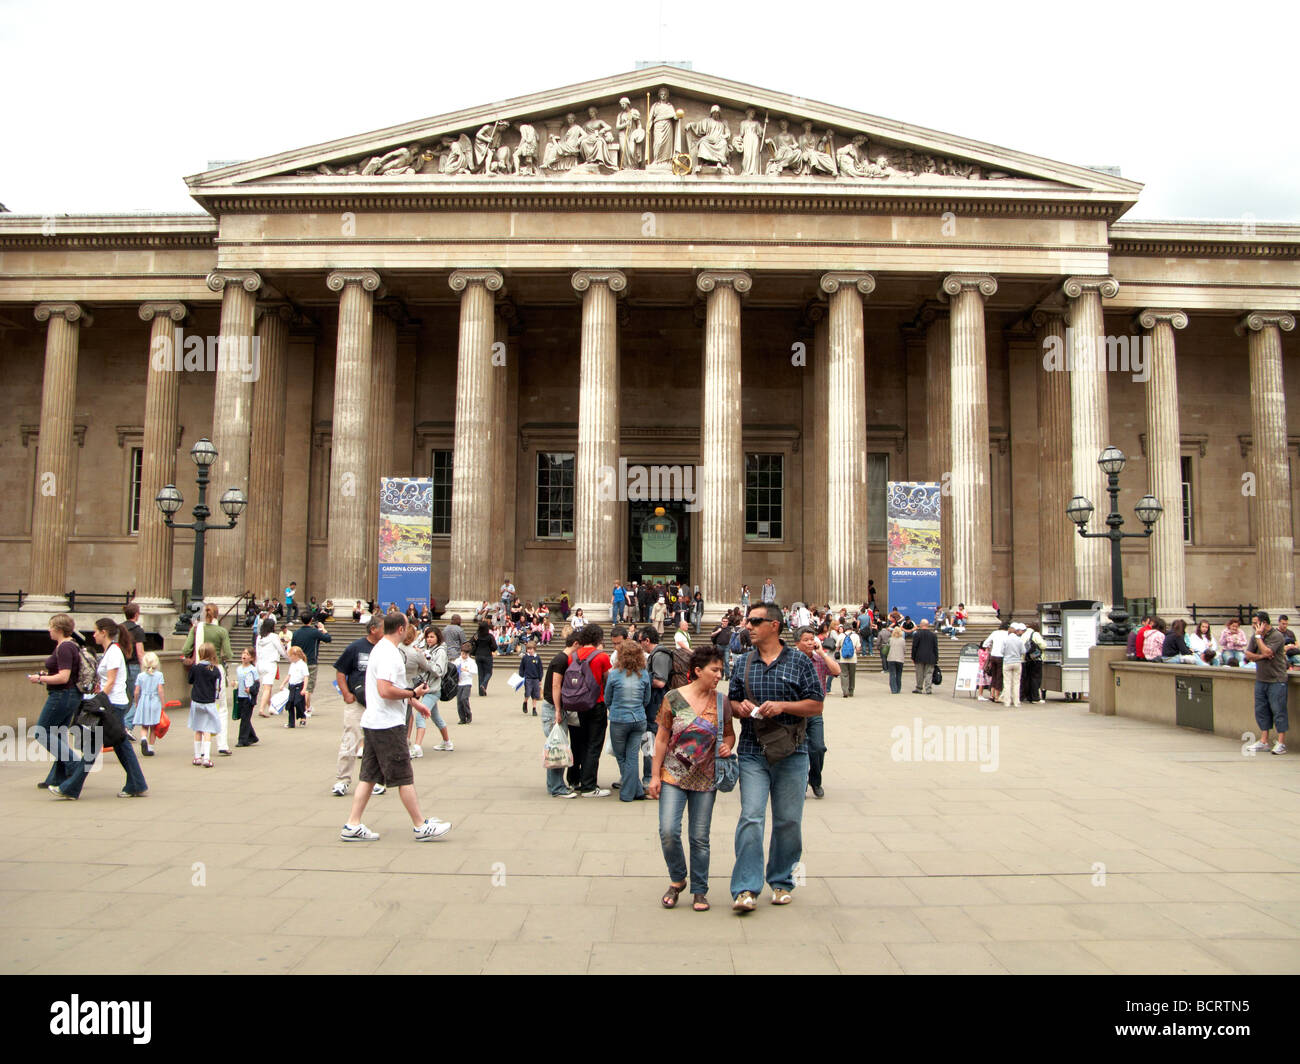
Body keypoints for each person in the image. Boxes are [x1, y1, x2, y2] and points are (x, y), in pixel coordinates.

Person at [727, 602, 824, 912]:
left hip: (792, 751)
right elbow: (732, 700)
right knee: (751, 817)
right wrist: (738, 707)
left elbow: (816, 704)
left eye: (755, 621)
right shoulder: (742, 662)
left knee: (788, 820)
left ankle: (782, 880)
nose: (749, 627)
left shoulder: (800, 661)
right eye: (748, 621)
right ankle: (745, 887)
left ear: (774, 626)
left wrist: (783, 706)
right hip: (753, 750)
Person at [340, 614, 452, 842]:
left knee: (368, 776)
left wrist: (415, 703)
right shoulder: (390, 654)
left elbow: (388, 689)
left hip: (374, 721)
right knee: (404, 776)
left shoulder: (381, 648)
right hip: (387, 724)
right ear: (401, 629)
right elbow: (385, 690)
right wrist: (413, 693)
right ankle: (420, 825)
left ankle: (352, 824)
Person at [649, 645, 735, 912]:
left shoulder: (721, 702)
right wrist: (654, 776)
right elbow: (662, 739)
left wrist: (728, 746)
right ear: (697, 671)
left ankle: (699, 889)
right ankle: (678, 879)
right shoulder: (673, 698)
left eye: (721, 670)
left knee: (699, 837)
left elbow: (730, 733)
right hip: (673, 774)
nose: (719, 675)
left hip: (706, 777)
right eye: (714, 670)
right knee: (668, 831)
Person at [49, 622, 149, 801]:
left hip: (112, 705)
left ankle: (71, 788)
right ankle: (136, 783)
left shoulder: (113, 652)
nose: (93, 635)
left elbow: (111, 681)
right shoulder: (112, 650)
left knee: (94, 748)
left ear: (104, 632)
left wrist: (98, 700)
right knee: (119, 744)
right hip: (113, 703)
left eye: (95, 631)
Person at [331, 615, 384, 797]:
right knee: (350, 739)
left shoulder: (386, 649)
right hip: (357, 702)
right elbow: (340, 671)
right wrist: (346, 693)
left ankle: (378, 780)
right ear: (373, 629)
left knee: (378, 742)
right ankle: (342, 780)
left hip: (379, 702)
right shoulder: (356, 647)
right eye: (384, 628)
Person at [561, 624, 613, 797]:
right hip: (596, 703)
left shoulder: (573, 656)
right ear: (599, 638)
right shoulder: (602, 656)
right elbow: (608, 680)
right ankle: (589, 785)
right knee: (594, 744)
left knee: (579, 743)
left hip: (577, 704)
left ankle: (574, 780)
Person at [181, 604, 234, 755]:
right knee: (221, 708)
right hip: (216, 669)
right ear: (217, 615)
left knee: (201, 707)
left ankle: (201, 748)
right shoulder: (221, 631)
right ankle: (222, 744)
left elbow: (185, 650)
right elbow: (229, 654)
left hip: (199, 670)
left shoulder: (196, 629)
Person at [604, 639, 651, 802]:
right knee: (632, 756)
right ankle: (636, 790)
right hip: (639, 718)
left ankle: (627, 793)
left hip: (619, 719)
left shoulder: (614, 674)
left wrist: (614, 708)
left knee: (621, 756)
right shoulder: (644, 674)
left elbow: (607, 698)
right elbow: (647, 699)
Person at [795, 627, 837, 800]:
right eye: (806, 639)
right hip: (795, 712)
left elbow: (836, 671)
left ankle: (815, 780)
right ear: (797, 643)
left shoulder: (819, 660)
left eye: (812, 639)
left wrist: (823, 653)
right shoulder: (791, 660)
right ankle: (800, 783)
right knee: (798, 749)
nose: (810, 642)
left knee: (818, 747)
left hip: (815, 712)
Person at [542, 632, 581, 798]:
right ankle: (557, 787)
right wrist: (558, 710)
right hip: (553, 708)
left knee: (556, 747)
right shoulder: (561, 660)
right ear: (576, 644)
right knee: (558, 748)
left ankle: (554, 785)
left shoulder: (562, 659)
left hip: (554, 707)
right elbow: (556, 685)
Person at [1245, 611, 1288, 755]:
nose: (1253, 626)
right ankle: (1264, 741)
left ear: (1264, 623)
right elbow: (1248, 655)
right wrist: (1261, 656)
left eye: (1255, 622)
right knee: (1261, 711)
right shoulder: (1255, 636)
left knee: (1278, 711)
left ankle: (1281, 743)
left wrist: (1259, 639)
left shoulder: (1277, 636)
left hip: (1276, 680)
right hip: (1261, 679)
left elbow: (1268, 651)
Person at [413, 626, 453, 753]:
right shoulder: (428, 649)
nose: (429, 639)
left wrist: (426, 661)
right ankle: (447, 742)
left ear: (438, 638)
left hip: (433, 688)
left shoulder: (440, 651)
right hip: (426, 687)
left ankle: (417, 747)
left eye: (432, 637)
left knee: (420, 715)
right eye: (428, 637)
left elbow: (439, 671)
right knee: (436, 717)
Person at [188, 643, 224, 768]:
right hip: (208, 701)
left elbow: (190, 680)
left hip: (196, 701)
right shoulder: (215, 670)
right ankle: (207, 757)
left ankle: (197, 756)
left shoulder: (195, 668)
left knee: (198, 728)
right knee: (207, 729)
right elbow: (218, 686)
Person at [291, 616, 332, 716]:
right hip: (311, 662)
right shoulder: (314, 632)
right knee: (308, 687)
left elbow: (293, 647)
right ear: (310, 620)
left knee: (300, 684)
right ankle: (305, 708)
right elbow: (328, 638)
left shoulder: (296, 633)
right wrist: (323, 629)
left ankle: (305, 706)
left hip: (299, 662)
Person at [120, 602, 146, 736]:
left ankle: (120, 725)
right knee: (139, 699)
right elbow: (140, 653)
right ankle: (126, 725)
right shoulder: (138, 630)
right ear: (136, 615)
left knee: (122, 697)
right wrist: (147, 669)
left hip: (119, 667)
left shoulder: (119, 629)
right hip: (133, 667)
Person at [253, 617, 287, 718]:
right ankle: (261, 709)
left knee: (268, 687)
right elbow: (281, 650)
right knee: (267, 688)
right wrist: (289, 658)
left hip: (260, 663)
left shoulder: (259, 637)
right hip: (270, 663)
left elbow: (257, 651)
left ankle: (271, 707)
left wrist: (256, 664)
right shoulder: (274, 637)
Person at [133, 650, 165, 755]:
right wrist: (163, 703)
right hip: (155, 701)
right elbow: (160, 690)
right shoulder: (159, 675)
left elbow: (137, 692)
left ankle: (143, 738)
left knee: (144, 725)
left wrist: (137, 702)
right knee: (154, 726)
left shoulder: (141, 676)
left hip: (144, 700)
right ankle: (150, 748)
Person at [234, 648, 259, 747]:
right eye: (243, 653)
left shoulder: (253, 670)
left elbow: (257, 684)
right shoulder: (239, 669)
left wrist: (251, 690)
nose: (244, 655)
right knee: (244, 718)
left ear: (251, 658)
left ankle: (242, 740)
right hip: (240, 696)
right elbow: (239, 682)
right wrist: (235, 684)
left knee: (245, 718)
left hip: (248, 698)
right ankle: (253, 736)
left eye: (247, 654)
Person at [280, 645, 309, 728]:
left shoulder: (303, 665)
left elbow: (306, 677)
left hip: (299, 686)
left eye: (290, 656)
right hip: (292, 686)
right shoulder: (292, 665)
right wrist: (283, 684)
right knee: (290, 703)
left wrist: (304, 689)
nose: (289, 658)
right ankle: (291, 722)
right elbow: (289, 675)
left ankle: (302, 717)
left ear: (296, 655)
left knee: (298, 703)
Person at [910, 619, 939, 695]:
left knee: (919, 673)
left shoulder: (917, 634)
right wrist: (936, 658)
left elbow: (914, 647)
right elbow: (935, 648)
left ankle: (919, 688)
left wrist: (913, 657)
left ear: (920, 625)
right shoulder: (933, 635)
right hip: (930, 657)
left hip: (919, 657)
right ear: (928, 625)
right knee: (929, 673)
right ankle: (928, 689)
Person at [982, 623, 1009, 702]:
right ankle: (997, 696)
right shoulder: (1007, 634)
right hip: (1001, 656)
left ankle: (992, 694)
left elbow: (985, 643)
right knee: (999, 676)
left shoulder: (995, 633)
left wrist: (990, 647)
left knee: (994, 675)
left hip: (993, 656)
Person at [1020, 622, 1046, 702]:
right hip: (1035, 659)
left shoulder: (1023, 634)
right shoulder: (1035, 634)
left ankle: (1028, 696)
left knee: (1027, 678)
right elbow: (1043, 645)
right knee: (1035, 678)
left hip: (1025, 659)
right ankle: (1035, 698)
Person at [1001, 623, 1025, 707]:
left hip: (1007, 661)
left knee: (1007, 683)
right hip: (1017, 662)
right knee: (1016, 683)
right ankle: (1016, 702)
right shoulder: (1019, 640)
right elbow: (1023, 651)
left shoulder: (1005, 640)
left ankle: (1007, 701)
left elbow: (1002, 651)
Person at [521, 640, 544, 715]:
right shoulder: (525, 658)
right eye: (528, 649)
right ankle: (525, 702)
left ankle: (534, 709)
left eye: (531, 649)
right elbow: (521, 668)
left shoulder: (537, 658)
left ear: (534, 649)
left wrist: (540, 679)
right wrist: (521, 676)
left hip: (536, 679)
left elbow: (540, 669)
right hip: (528, 678)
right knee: (527, 692)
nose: (529, 651)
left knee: (535, 695)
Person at [838, 623, 860, 697]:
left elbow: (837, 647)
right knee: (852, 675)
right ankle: (851, 691)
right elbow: (858, 648)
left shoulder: (841, 636)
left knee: (844, 674)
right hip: (853, 659)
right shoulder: (856, 636)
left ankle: (845, 691)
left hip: (843, 659)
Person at [886, 624, 906, 694]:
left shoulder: (890, 639)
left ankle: (893, 689)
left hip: (891, 658)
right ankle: (898, 689)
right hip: (900, 659)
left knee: (892, 674)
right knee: (899, 674)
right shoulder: (902, 640)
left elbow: (887, 648)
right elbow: (904, 650)